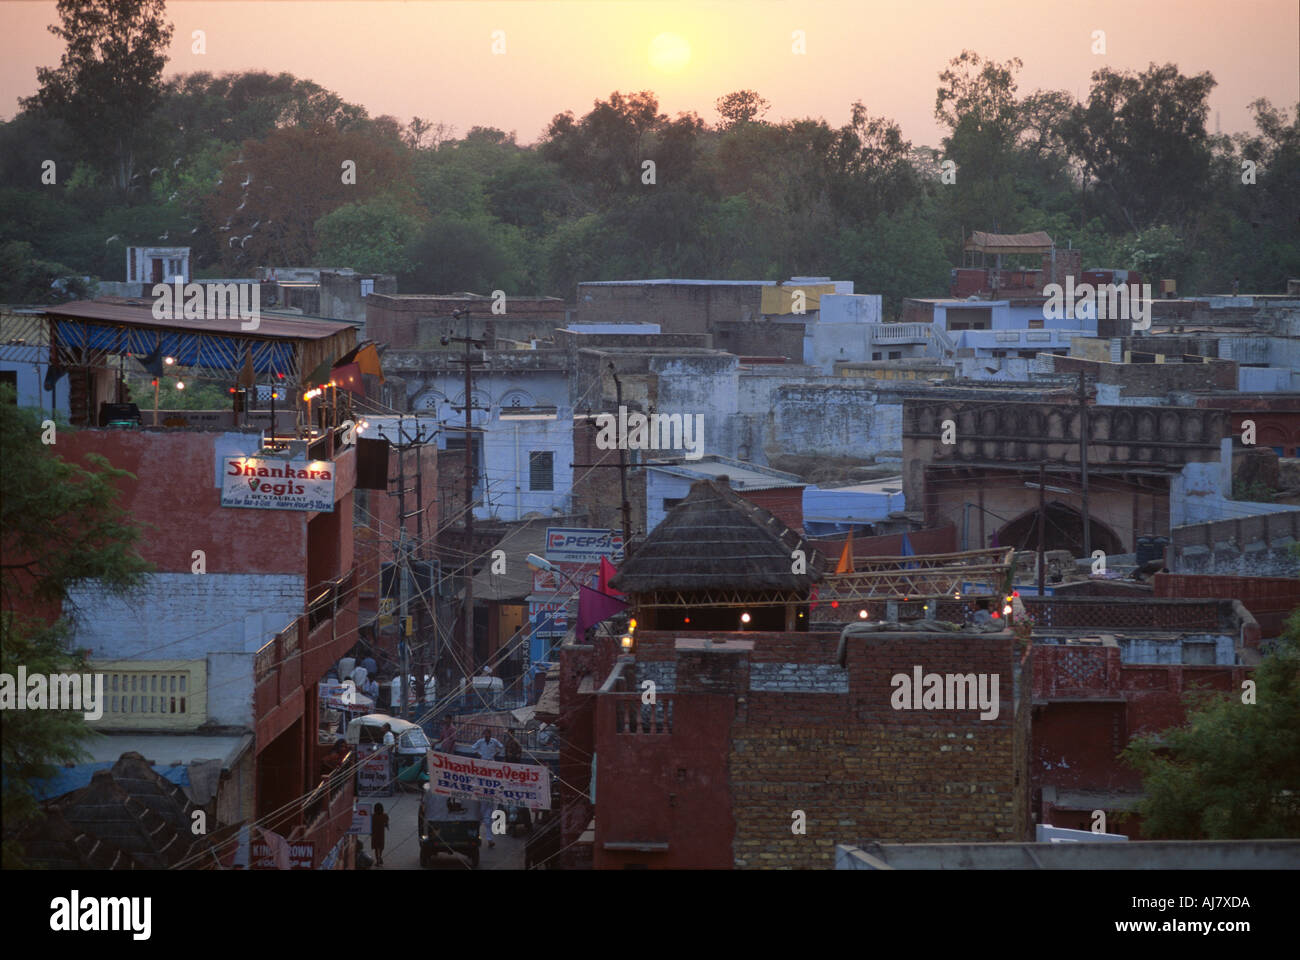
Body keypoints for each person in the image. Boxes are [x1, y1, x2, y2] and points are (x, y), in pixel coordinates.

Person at [468, 728, 504, 847]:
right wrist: (480, 754)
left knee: (487, 817)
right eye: (486, 734)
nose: (487, 736)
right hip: (483, 764)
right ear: (484, 735)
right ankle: (478, 836)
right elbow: (473, 748)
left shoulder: (494, 742)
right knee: (482, 816)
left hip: (491, 766)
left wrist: (495, 754)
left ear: (490, 735)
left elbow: (501, 747)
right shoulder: (480, 742)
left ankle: (488, 838)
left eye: (488, 734)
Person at [371, 802, 388, 867]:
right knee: (381, 847)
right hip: (381, 834)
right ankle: (379, 857)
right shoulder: (385, 816)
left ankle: (378, 860)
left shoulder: (372, 816)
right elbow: (386, 825)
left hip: (374, 833)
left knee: (376, 847)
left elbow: (369, 825)